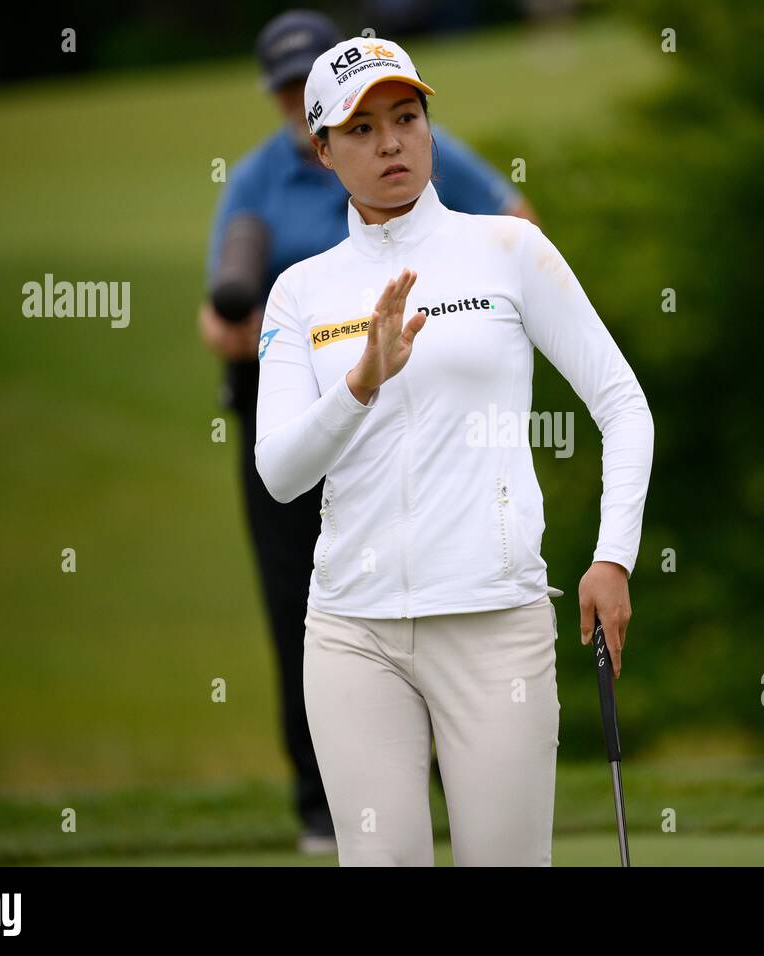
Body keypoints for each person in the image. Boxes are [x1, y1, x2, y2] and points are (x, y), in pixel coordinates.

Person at [255, 35, 654, 866]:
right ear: (322, 150)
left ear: (429, 128)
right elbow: (281, 473)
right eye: (361, 129)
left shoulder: (508, 251)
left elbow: (622, 404)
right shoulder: (300, 293)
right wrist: (361, 381)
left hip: (494, 622)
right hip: (351, 632)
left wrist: (613, 557)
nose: (391, 142)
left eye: (406, 118)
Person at [199, 10, 539, 855]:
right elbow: (220, 310)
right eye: (283, 89)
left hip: (414, 374)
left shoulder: (415, 142)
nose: (386, 139)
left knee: (421, 575)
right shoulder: (255, 181)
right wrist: (264, 335)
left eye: (297, 79)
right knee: (299, 597)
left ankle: (452, 762)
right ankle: (322, 796)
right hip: (289, 384)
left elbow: (514, 213)